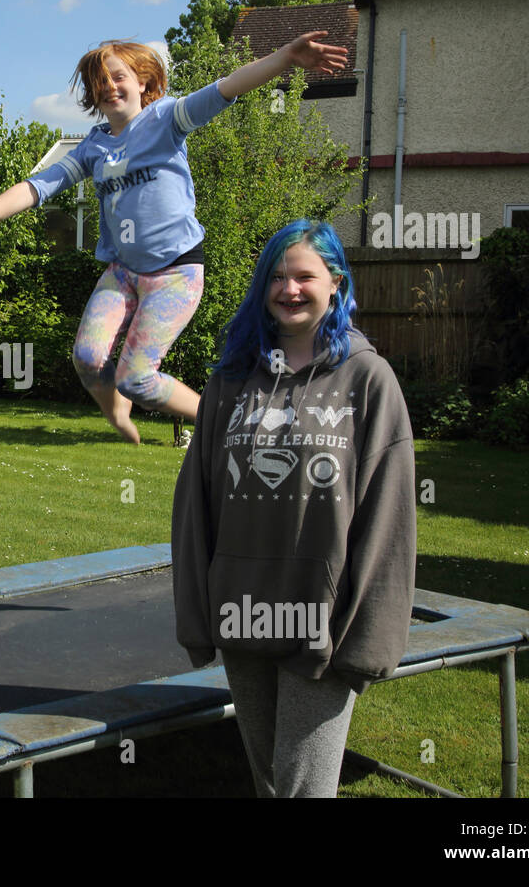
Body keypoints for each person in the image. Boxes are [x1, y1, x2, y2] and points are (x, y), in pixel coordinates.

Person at [0, 33, 347, 443]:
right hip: (123, 272)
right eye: (100, 83)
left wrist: (285, 56)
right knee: (85, 358)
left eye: (118, 77)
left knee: (136, 378)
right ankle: (116, 411)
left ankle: (223, 419)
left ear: (144, 83)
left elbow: (226, 88)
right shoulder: (92, 148)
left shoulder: (166, 120)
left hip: (176, 272)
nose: (109, 87)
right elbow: (38, 186)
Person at [170, 219, 416, 797]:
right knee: (271, 783)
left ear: (336, 282)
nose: (290, 289)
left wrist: (368, 637)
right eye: (276, 277)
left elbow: (391, 518)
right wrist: (199, 613)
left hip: (322, 619)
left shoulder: (367, 379)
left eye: (304, 276)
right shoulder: (233, 379)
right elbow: (195, 505)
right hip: (243, 612)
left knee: (305, 788)